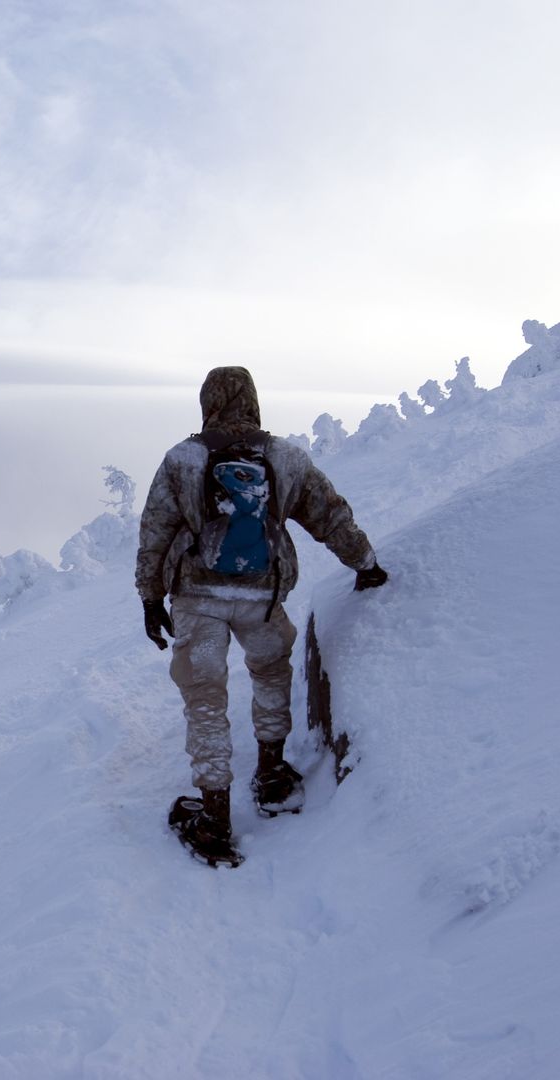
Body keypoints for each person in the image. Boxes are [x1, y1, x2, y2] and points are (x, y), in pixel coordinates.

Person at [136, 366, 388, 867]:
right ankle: (272, 777)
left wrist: (150, 598)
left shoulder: (183, 459)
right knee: (271, 673)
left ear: (207, 401)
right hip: (263, 597)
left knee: (205, 699)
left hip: (197, 596)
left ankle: (213, 817)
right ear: (253, 400)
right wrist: (366, 564)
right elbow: (330, 516)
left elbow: (155, 531)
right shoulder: (285, 458)